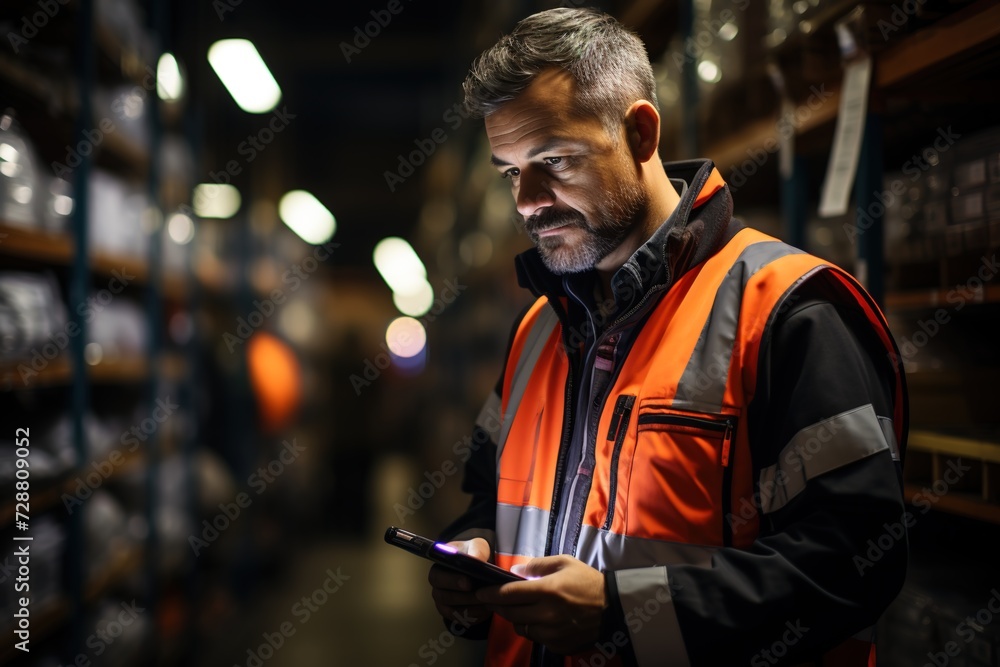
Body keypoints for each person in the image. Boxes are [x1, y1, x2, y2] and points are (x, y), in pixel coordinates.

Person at [428, 7, 908, 667]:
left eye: (554, 159)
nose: (527, 200)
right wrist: (471, 553)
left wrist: (624, 614)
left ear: (641, 131)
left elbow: (855, 561)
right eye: (511, 171)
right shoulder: (537, 330)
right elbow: (491, 497)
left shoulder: (788, 313)